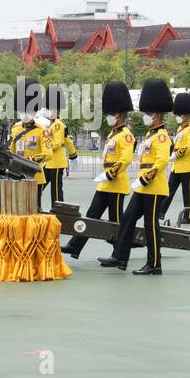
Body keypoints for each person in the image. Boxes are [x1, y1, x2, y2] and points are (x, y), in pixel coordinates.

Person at [101, 78, 173, 275]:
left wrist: (146, 178)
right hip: (143, 188)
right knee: (128, 219)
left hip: (154, 187)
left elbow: (162, 161)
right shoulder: (151, 135)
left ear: (157, 115)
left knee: (151, 227)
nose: (146, 117)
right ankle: (120, 257)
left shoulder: (162, 136)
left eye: (148, 114)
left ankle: (155, 264)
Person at [62, 81, 134, 259]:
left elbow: (125, 159)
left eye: (111, 114)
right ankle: (75, 246)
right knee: (91, 215)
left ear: (119, 115)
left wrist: (110, 174)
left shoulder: (126, 135)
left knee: (115, 222)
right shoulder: (112, 134)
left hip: (116, 184)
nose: (108, 117)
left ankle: (119, 255)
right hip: (105, 184)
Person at [8, 78, 51, 207]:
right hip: (16, 176)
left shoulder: (42, 131)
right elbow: (11, 152)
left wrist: (30, 161)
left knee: (34, 210)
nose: (25, 113)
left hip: (35, 177)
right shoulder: (15, 129)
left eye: (27, 110)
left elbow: (48, 154)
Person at [160, 91, 190, 223]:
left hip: (188, 166)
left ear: (186, 115)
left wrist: (176, 154)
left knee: (187, 193)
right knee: (169, 189)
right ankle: (161, 212)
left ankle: (189, 217)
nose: (178, 117)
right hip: (177, 166)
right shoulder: (180, 129)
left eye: (180, 114)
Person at [42, 84, 69, 205]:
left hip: (56, 162)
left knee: (56, 192)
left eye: (52, 109)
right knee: (40, 186)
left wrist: (45, 148)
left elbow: (57, 143)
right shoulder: (51, 124)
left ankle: (59, 213)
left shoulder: (57, 124)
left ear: (56, 110)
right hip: (48, 162)